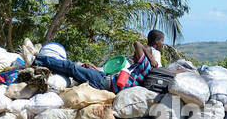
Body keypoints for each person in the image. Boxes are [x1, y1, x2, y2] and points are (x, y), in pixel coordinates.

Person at [33, 30, 166, 92]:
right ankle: (43, 68)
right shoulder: (137, 66)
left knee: (71, 68)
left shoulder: (146, 64)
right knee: (72, 72)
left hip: (104, 82)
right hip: (104, 78)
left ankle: (38, 58)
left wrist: (151, 56)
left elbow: (137, 43)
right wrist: (96, 69)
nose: (133, 56)